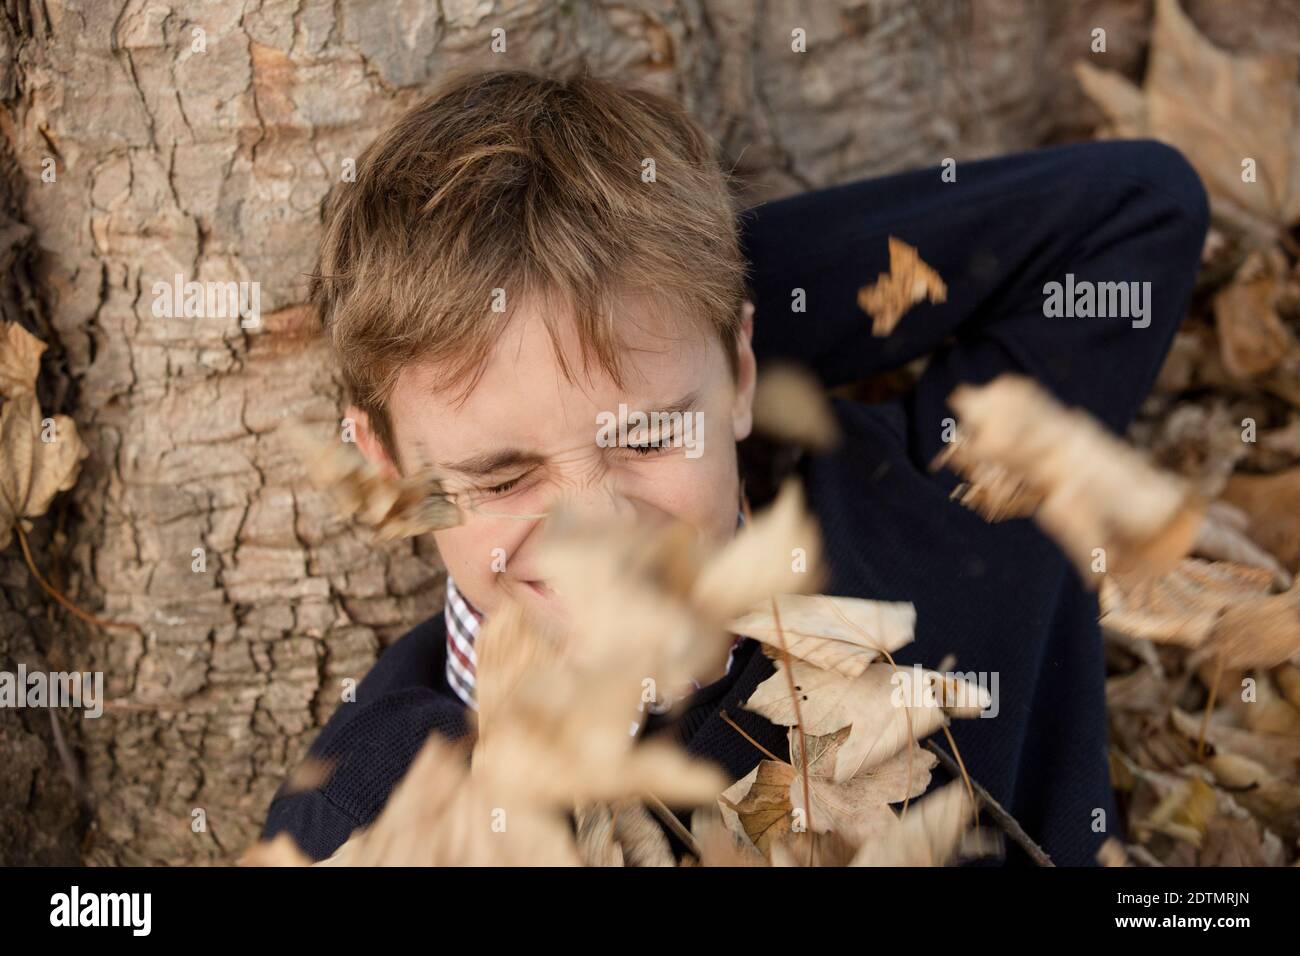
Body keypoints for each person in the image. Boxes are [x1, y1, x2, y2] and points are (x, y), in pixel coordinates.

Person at [262, 67, 1209, 866]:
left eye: (644, 437)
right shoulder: (372, 815)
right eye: (503, 479)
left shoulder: (931, 507)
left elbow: (1134, 212)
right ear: (385, 468)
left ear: (746, 366)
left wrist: (677, 284)